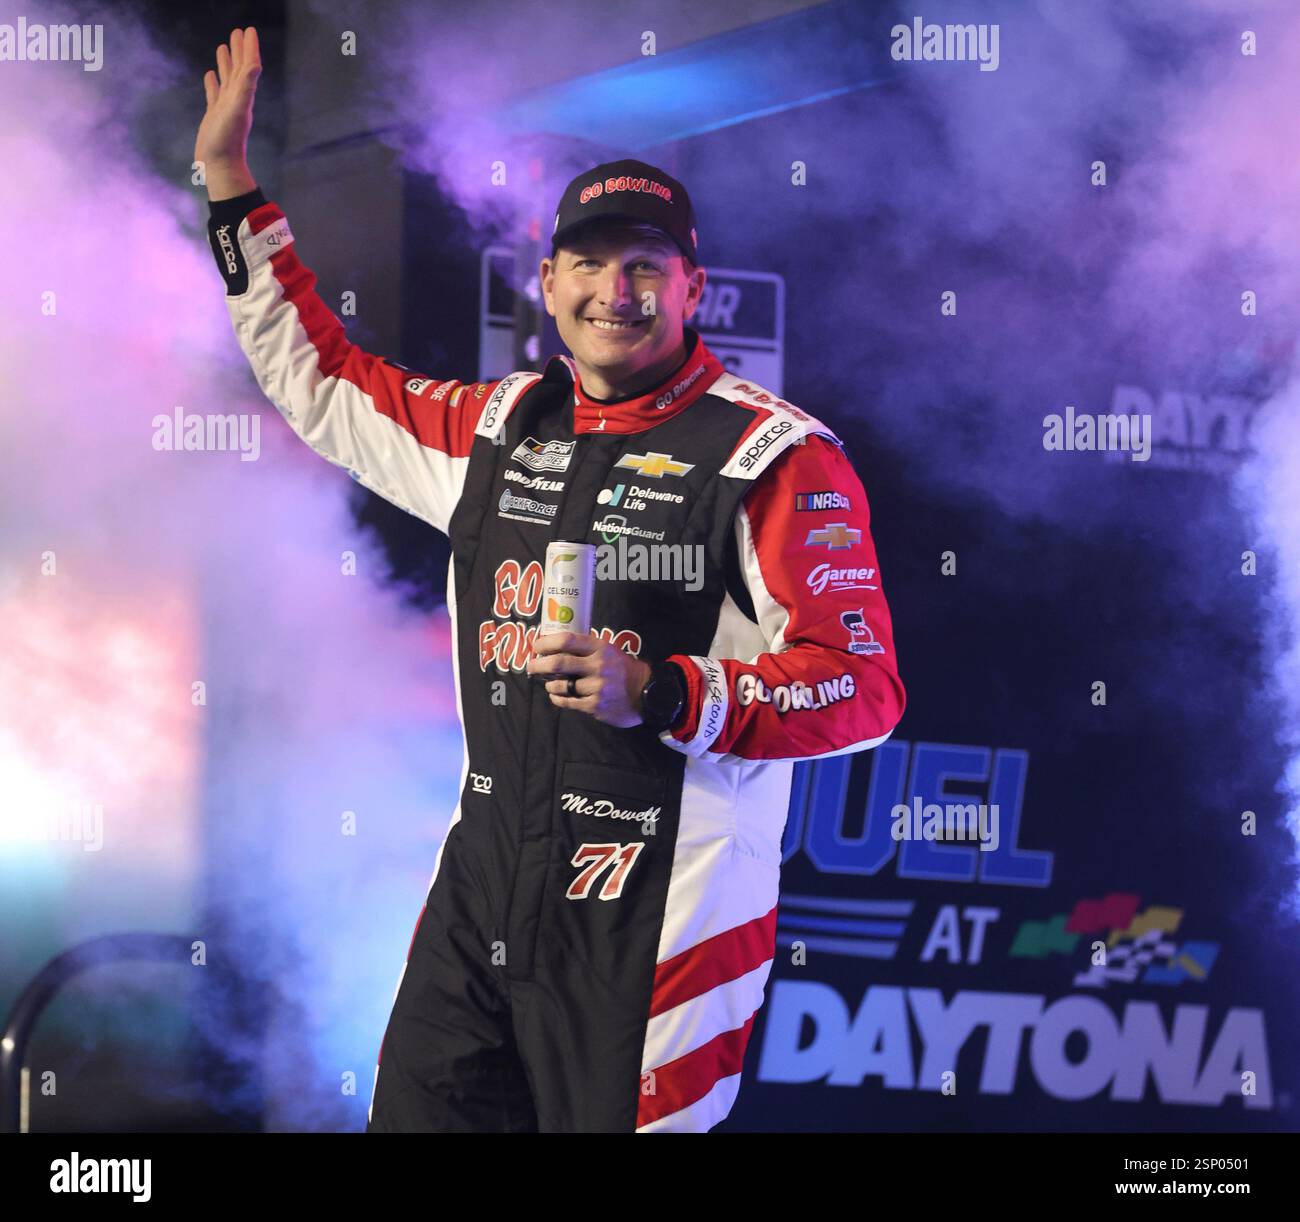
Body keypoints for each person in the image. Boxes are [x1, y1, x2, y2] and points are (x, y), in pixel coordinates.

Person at [197, 26, 906, 1133]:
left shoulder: (772, 456)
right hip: (485, 885)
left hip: (655, 921)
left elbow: (861, 689)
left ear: (692, 288)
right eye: (588, 262)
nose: (612, 291)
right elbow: (327, 382)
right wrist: (234, 188)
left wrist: (667, 691)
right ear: (547, 280)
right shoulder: (498, 426)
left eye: (643, 267)